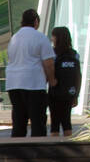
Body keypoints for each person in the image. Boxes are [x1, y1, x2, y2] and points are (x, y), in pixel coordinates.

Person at [6, 10, 56, 138]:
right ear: (36, 22)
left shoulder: (14, 38)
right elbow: (49, 63)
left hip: (13, 83)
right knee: (37, 121)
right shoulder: (40, 37)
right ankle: (38, 153)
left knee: (18, 120)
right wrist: (52, 80)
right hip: (33, 83)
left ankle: (17, 152)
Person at [48, 26, 81, 137]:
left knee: (55, 123)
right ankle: (68, 145)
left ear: (57, 37)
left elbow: (50, 69)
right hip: (69, 93)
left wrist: (51, 81)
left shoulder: (52, 54)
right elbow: (78, 76)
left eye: (53, 36)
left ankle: (55, 150)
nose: (51, 38)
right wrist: (76, 95)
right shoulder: (74, 54)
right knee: (67, 122)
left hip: (55, 91)